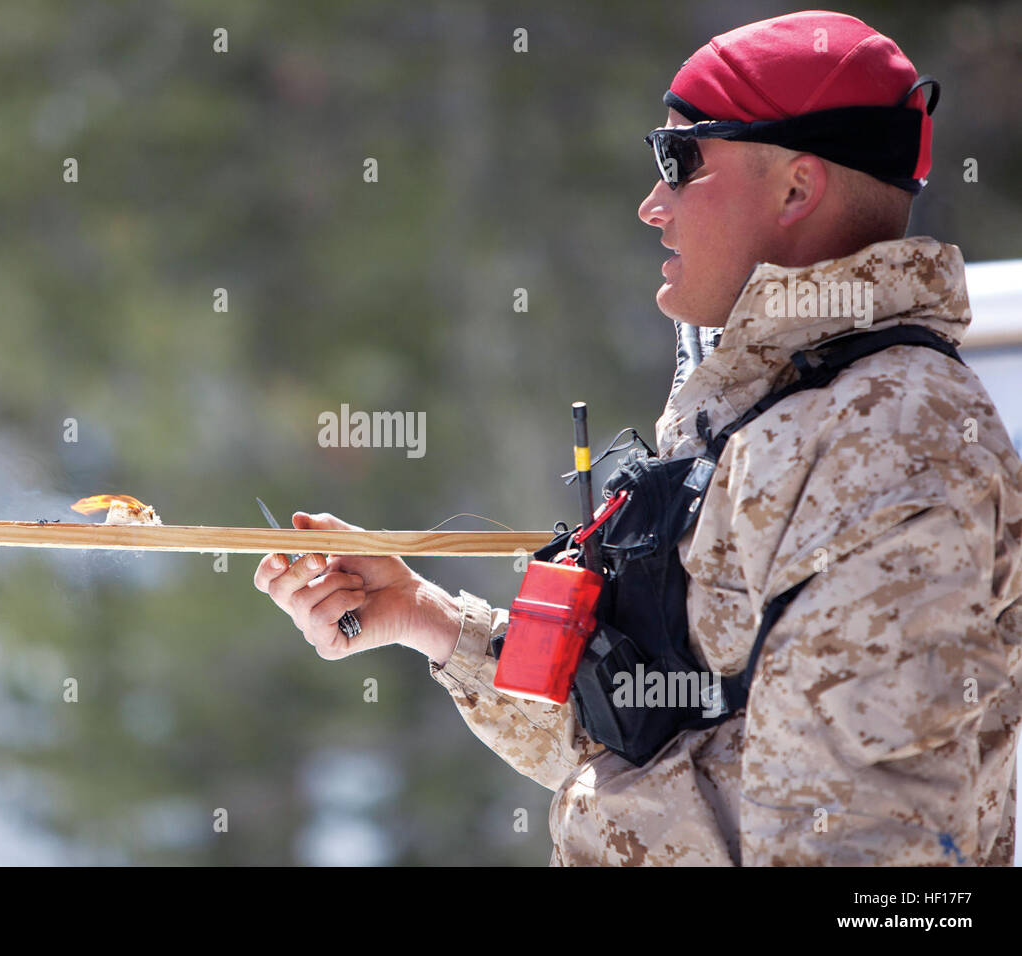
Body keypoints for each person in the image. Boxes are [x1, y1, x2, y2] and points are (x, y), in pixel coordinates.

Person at [254, 11, 1022, 865]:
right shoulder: (776, 412)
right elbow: (649, 756)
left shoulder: (891, 436)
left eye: (679, 161)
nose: (652, 205)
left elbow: (881, 847)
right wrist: (431, 621)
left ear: (797, 190)